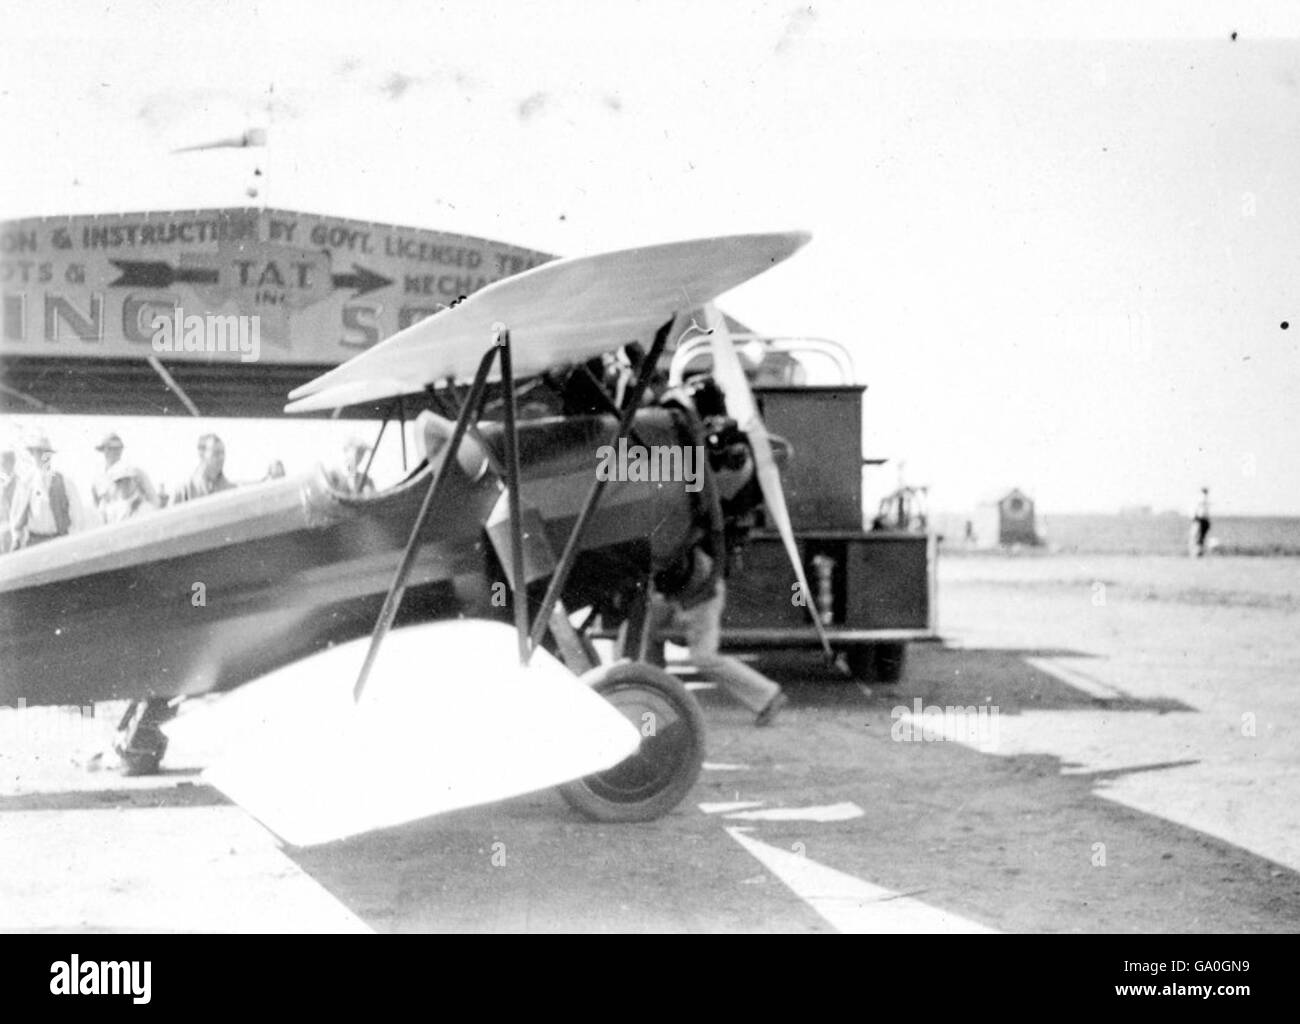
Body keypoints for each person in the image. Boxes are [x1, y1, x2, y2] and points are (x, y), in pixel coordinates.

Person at [642, 399, 786, 726]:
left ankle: (767, 696)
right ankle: (652, 697)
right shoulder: (688, 519)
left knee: (704, 657)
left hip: (701, 598)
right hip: (689, 594)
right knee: (643, 634)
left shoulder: (691, 525)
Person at [8, 433, 89, 547]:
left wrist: (71, 540)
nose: (42, 456)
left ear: (50, 455)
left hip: (59, 541)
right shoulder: (26, 483)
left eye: (45, 453)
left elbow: (78, 516)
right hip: (34, 541)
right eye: (38, 452)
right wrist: (16, 538)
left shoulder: (64, 482)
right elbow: (16, 515)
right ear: (33, 454)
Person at [90, 431, 158, 518]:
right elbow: (97, 507)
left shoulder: (135, 472)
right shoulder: (97, 480)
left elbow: (154, 499)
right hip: (110, 522)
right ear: (104, 450)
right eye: (111, 448)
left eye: (118, 448)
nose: (116, 452)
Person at [171, 433, 235, 503]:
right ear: (201, 455)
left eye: (222, 453)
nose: (221, 458)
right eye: (216, 453)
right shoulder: (184, 492)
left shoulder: (232, 492)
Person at [0, 447, 16, 554]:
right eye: (2, 463)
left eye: (5, 463)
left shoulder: (21, 483)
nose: (3, 466)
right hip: (3, 530)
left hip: (16, 528)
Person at [1189, 486, 1212, 557]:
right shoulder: (1201, 499)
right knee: (1198, 537)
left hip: (1202, 520)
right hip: (1199, 519)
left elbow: (1204, 511)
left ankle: (1198, 552)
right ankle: (1196, 552)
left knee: (1200, 537)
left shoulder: (1204, 500)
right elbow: (1197, 510)